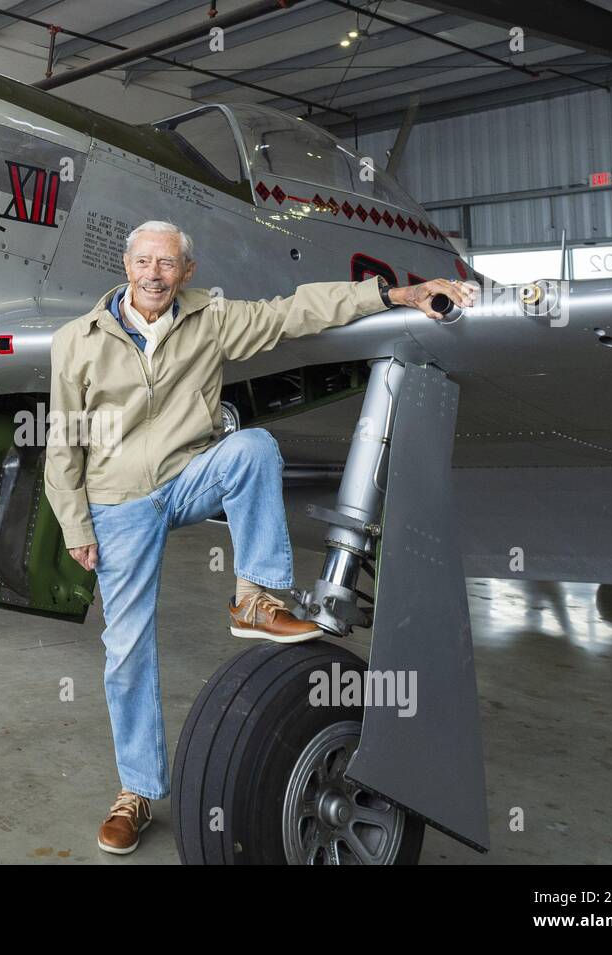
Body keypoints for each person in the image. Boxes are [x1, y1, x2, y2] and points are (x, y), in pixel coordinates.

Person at [44, 220, 476, 855]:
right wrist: (75, 523)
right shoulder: (75, 341)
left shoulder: (210, 318)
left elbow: (295, 311)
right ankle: (135, 792)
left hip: (188, 477)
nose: (154, 275)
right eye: (143, 262)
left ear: (185, 272)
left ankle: (258, 596)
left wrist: (391, 296)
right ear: (126, 266)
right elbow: (64, 439)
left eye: (167, 264)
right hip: (119, 502)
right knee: (126, 648)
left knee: (252, 447)